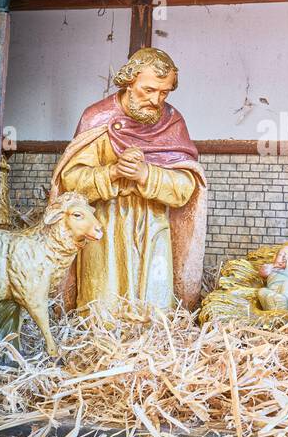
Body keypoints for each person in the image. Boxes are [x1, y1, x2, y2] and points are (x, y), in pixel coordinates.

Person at [50, 48, 207, 312]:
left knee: (155, 312)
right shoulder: (96, 118)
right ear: (129, 81)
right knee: (102, 311)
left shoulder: (172, 123)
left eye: (164, 92)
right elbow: (70, 181)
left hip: (154, 229)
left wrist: (146, 174)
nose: (157, 100)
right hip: (104, 229)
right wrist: (112, 172)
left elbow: (186, 188)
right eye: (149, 90)